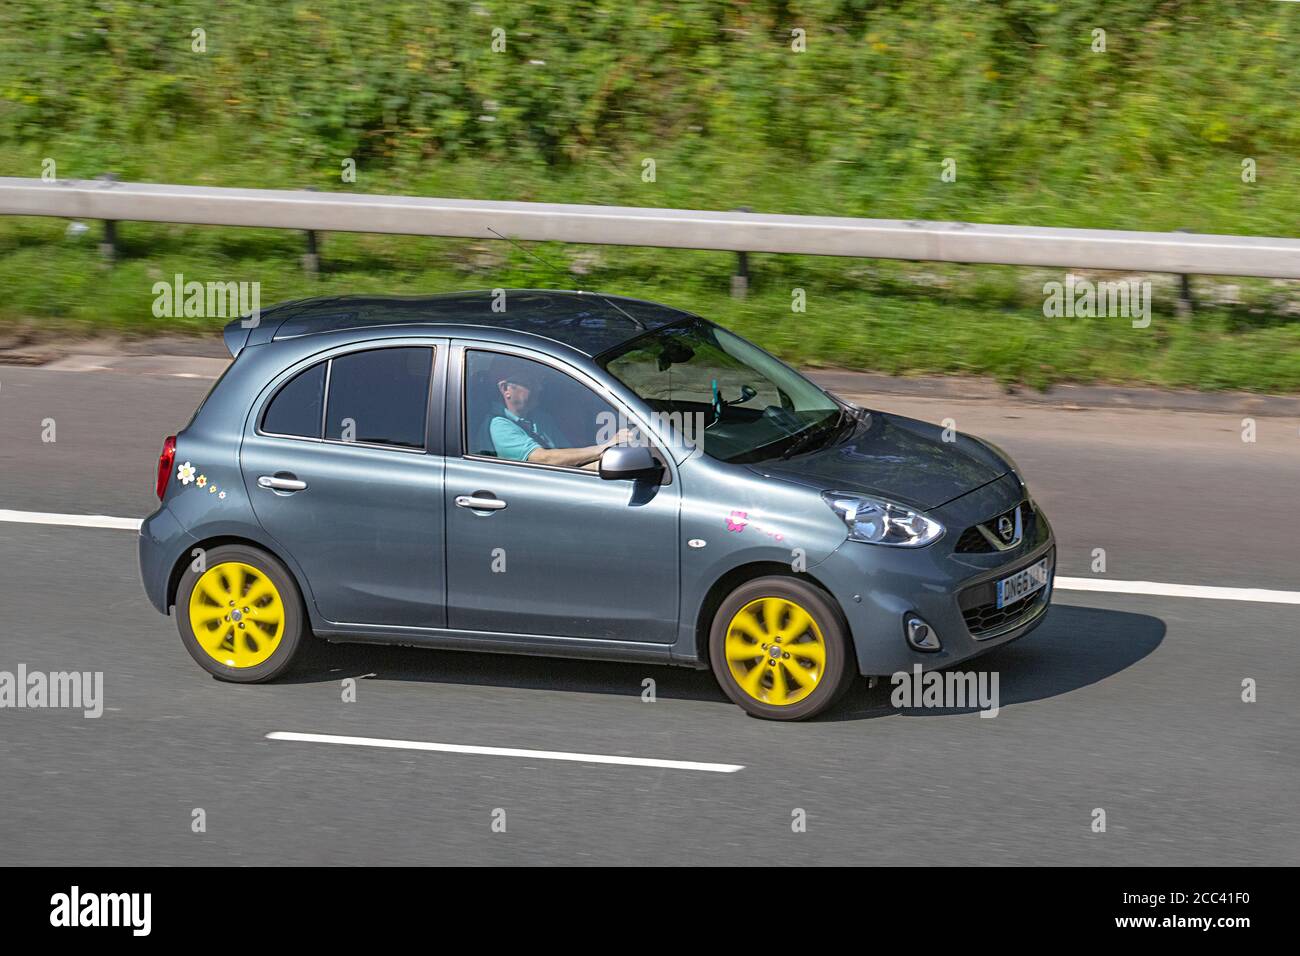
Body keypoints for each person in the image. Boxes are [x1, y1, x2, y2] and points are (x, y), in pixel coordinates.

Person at [488, 358, 633, 468]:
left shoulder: (539, 417)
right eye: (530, 382)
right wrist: (604, 449)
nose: (539, 388)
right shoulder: (498, 426)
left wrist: (603, 465)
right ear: (505, 389)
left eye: (539, 381)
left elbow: (568, 459)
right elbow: (545, 460)